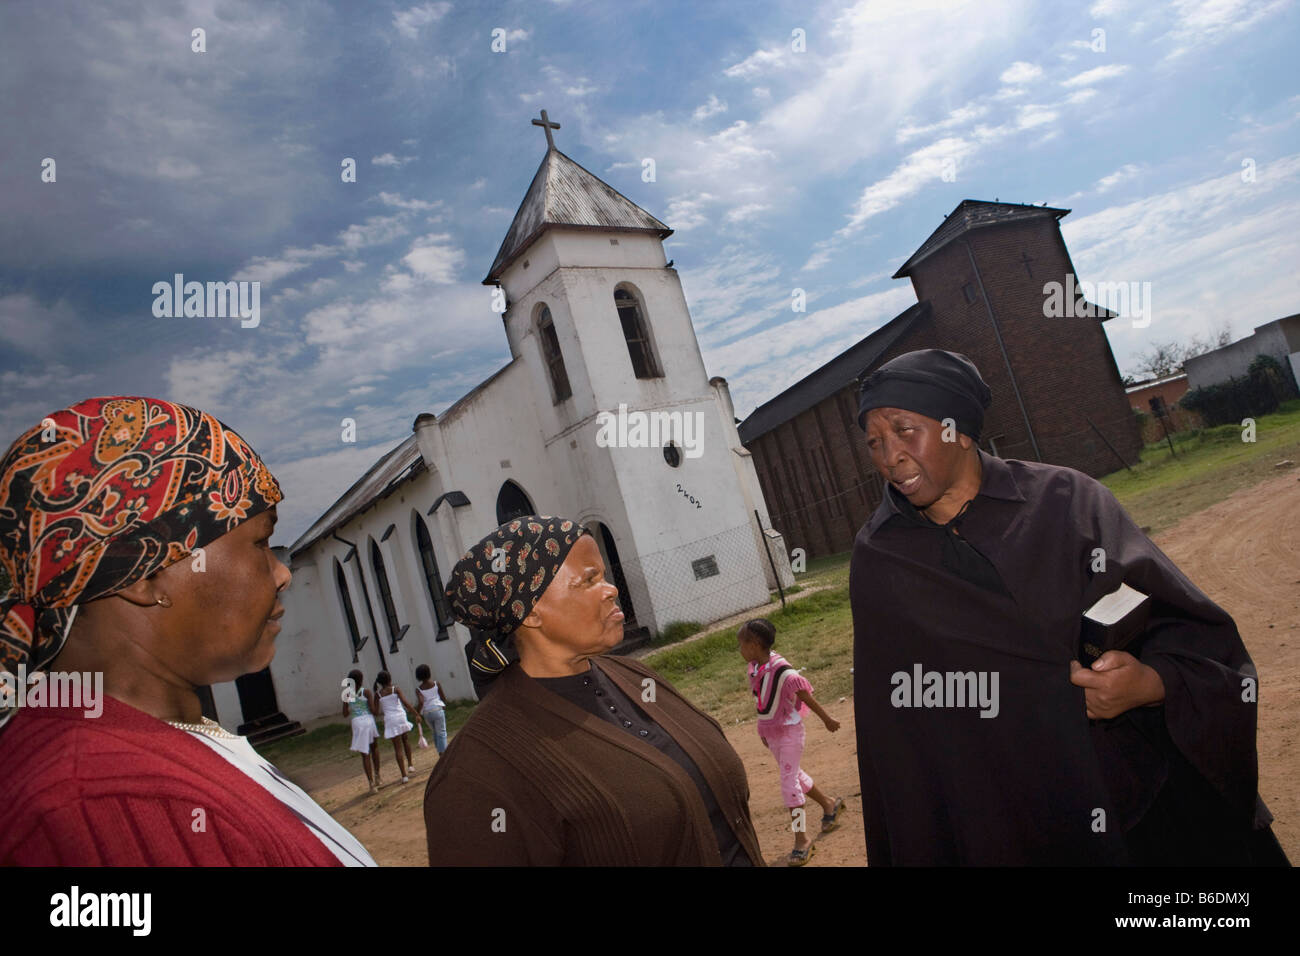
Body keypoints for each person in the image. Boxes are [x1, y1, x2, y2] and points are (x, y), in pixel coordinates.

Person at [849, 349, 1289, 865]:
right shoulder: (880, 560)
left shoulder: (1066, 502)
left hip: (1144, 803)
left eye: (904, 430)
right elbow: (895, 735)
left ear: (960, 429)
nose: (888, 457)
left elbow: (1185, 626)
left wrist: (1150, 683)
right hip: (1010, 828)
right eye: (875, 441)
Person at [0, 396, 375, 866]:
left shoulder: (149, 749)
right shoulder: (106, 807)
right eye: (260, 542)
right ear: (143, 572)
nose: (282, 574)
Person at [423, 516, 764, 866]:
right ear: (530, 613)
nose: (612, 588)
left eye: (603, 575)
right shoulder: (474, 774)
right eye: (589, 580)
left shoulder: (637, 678)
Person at [738, 618, 845, 866]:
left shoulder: (783, 671)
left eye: (741, 645)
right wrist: (764, 731)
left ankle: (802, 839)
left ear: (754, 645)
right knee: (794, 776)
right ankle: (830, 804)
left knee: (788, 785)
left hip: (789, 733)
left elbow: (805, 696)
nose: (740, 650)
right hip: (773, 733)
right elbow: (762, 703)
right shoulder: (755, 667)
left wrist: (827, 719)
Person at [342, 668, 383, 793]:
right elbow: (374, 711)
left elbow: (344, 713)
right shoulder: (366, 692)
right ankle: (377, 775)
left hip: (357, 722)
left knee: (364, 754)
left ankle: (371, 784)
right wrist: (377, 702)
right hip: (368, 720)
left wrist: (351, 709)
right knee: (374, 748)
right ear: (361, 680)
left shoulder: (347, 694)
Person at [375, 670, 419, 782]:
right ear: (390, 679)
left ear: (379, 682)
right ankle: (410, 764)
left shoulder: (378, 694)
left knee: (397, 748)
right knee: (406, 740)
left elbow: (375, 711)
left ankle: (404, 776)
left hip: (390, 720)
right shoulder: (396, 689)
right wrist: (416, 713)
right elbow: (405, 703)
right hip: (400, 716)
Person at [414, 663, 448, 755]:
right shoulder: (436, 684)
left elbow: (421, 702)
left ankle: (440, 751)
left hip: (427, 713)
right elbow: (443, 697)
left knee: (435, 733)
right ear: (429, 673)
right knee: (442, 733)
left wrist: (417, 713)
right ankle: (443, 753)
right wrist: (443, 705)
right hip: (437, 709)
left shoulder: (418, 689)